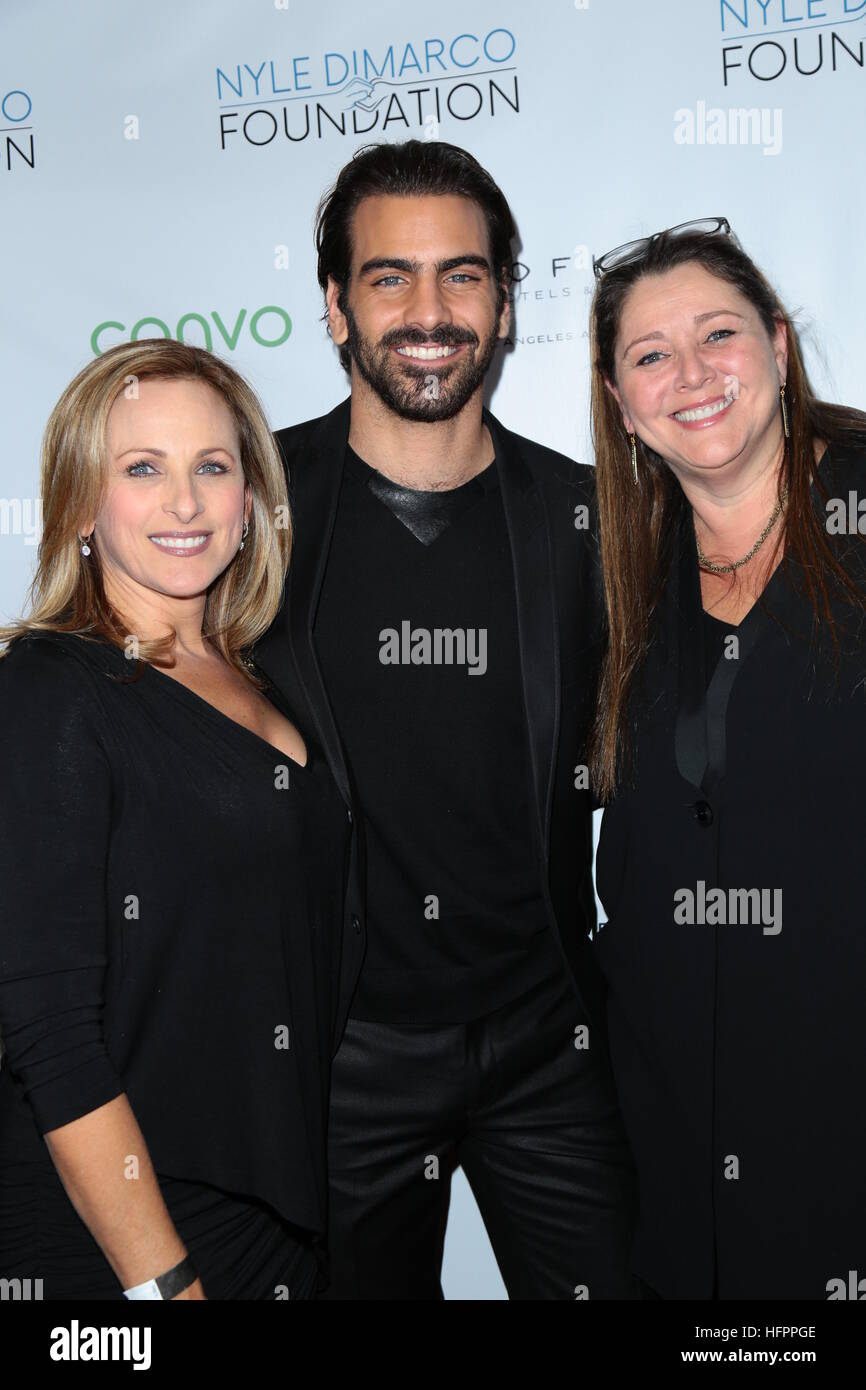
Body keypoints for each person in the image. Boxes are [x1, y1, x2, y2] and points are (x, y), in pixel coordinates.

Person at [251, 139, 639, 1300]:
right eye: (388, 278)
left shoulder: (586, 520)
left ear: (506, 302)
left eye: (461, 276)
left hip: (550, 1044)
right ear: (333, 304)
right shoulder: (247, 512)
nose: (429, 312)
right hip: (338, 1059)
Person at [0, 340, 351, 1299]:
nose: (185, 503)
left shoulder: (270, 678)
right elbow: (50, 1033)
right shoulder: (50, 691)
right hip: (123, 1239)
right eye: (142, 468)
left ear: (251, 496)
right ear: (79, 503)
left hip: (278, 1217)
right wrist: (165, 1286)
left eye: (213, 466)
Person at [588, 217, 866, 1300]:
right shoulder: (619, 561)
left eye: (718, 334)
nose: (688, 375)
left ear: (779, 347)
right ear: (619, 402)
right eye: (648, 355)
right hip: (680, 1127)